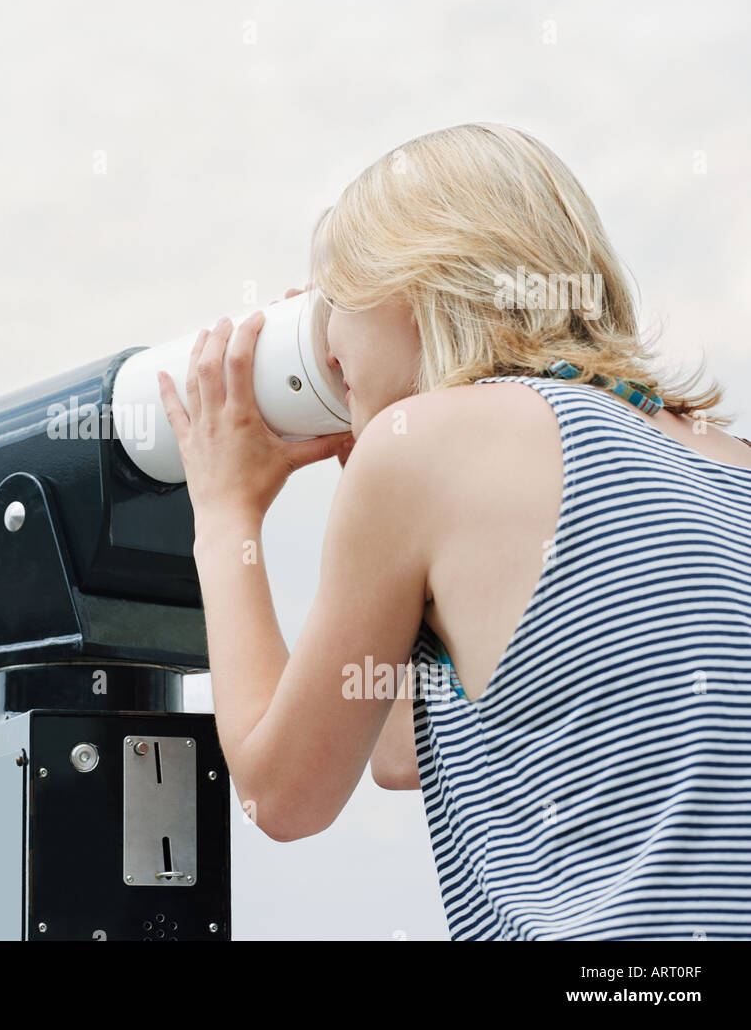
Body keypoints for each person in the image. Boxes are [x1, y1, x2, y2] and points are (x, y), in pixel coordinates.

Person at [156, 122, 751, 940]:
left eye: (333, 301)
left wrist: (225, 515)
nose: (324, 342)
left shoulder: (433, 449)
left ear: (415, 287)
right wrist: (390, 534)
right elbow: (402, 758)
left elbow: (282, 793)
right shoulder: (727, 458)